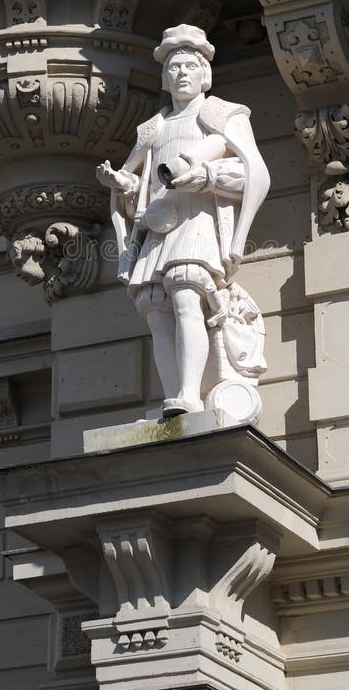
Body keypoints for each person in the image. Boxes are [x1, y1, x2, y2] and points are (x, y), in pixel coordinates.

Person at [97, 24, 270, 417]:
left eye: (190, 66)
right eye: (174, 68)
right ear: (165, 77)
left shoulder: (222, 114)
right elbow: (134, 185)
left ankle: (191, 393)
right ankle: (174, 395)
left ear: (204, 73)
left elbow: (254, 174)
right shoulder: (153, 127)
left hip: (198, 220)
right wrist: (121, 183)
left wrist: (206, 176)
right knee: (157, 309)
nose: (182, 74)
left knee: (185, 292)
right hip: (158, 226)